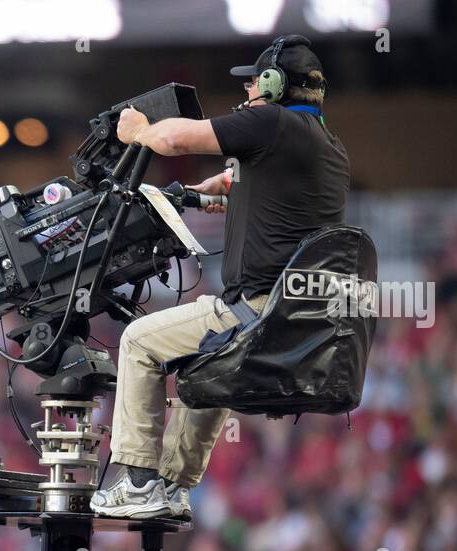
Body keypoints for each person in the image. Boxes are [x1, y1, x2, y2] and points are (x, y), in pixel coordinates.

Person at [92, 34, 349, 520]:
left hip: (254, 310)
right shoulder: (329, 147)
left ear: (273, 84)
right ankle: (172, 488)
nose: (248, 87)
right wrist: (228, 186)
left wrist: (138, 130)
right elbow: (285, 194)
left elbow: (172, 140)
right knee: (203, 365)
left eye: (253, 79)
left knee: (138, 342)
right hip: (294, 320)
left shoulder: (270, 121)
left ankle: (140, 481)